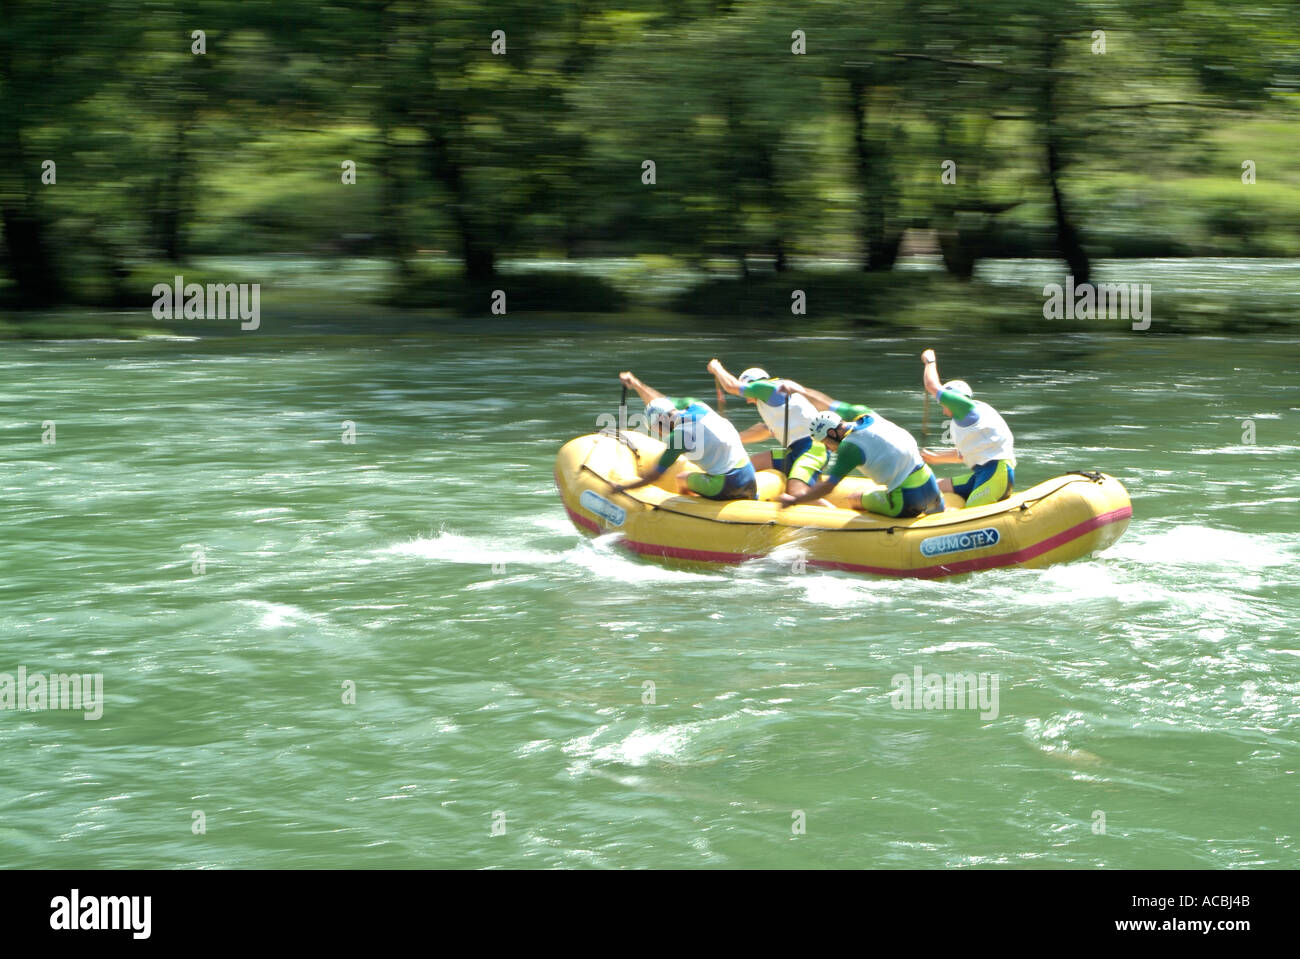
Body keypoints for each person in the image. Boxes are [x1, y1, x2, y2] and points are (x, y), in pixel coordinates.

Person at [777, 398, 944, 517]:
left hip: (906, 501)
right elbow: (829, 402)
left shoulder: (849, 448)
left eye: (826, 443)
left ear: (832, 433)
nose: (828, 448)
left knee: (855, 499)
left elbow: (828, 487)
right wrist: (800, 390)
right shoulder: (865, 414)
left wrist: (794, 500)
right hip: (931, 487)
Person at [609, 371, 757, 501]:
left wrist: (622, 487)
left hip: (727, 485)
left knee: (682, 478)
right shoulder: (697, 405)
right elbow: (661, 402)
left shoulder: (678, 437)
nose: (660, 433)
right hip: (750, 478)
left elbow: (654, 476)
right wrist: (635, 384)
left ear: (661, 423)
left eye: (657, 429)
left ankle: (690, 512)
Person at [706, 359, 825, 502]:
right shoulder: (773, 402)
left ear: (751, 384)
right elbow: (763, 431)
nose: (747, 400)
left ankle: (833, 517)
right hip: (795, 452)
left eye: (747, 392)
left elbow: (731, 386)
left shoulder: (767, 388)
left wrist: (716, 368)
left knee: (797, 494)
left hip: (812, 450)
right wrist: (730, 440)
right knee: (748, 466)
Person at [920, 349, 1016, 507]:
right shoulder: (965, 420)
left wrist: (930, 361)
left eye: (943, 404)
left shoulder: (966, 408)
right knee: (933, 487)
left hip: (997, 474)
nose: (943, 410)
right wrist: (935, 458)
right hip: (981, 475)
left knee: (969, 511)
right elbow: (963, 454)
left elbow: (931, 385)